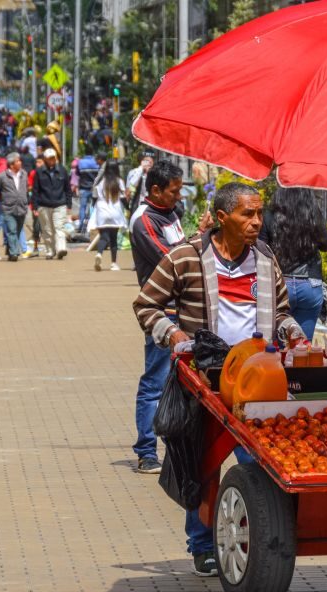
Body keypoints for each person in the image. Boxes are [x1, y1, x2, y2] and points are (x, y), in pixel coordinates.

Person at [133, 182, 305, 577]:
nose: (256, 222)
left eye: (259, 214)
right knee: (204, 466)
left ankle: (261, 538)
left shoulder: (264, 259)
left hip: (256, 381)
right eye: (248, 214)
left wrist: (292, 331)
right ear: (223, 217)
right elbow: (146, 304)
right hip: (204, 381)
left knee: (262, 464)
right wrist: (173, 334)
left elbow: (279, 312)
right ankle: (202, 543)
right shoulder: (186, 258)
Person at [129, 160, 186, 474]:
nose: (178, 197)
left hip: (184, 309)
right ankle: (147, 451)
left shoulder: (170, 214)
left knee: (182, 383)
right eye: (173, 191)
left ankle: (177, 450)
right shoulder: (144, 220)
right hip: (161, 311)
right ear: (155, 190)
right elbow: (171, 260)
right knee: (155, 382)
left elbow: (180, 248)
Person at [261, 187, 327, 340]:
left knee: (277, 345)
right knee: (301, 347)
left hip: (280, 286)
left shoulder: (268, 216)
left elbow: (261, 250)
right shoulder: (312, 215)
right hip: (309, 285)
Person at [31, 148, 72, 260]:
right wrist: (34, 206)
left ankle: (61, 249)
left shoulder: (62, 170)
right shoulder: (39, 172)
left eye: (53, 158)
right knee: (47, 230)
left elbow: (68, 189)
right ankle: (50, 250)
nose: (52, 160)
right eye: (49, 158)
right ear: (45, 159)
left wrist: (69, 204)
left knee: (59, 227)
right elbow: (35, 190)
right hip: (44, 205)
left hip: (60, 204)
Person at [90, 160, 127, 271]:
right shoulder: (119, 181)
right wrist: (128, 208)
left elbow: (94, 198)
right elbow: (123, 198)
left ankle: (99, 254)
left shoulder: (100, 182)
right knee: (113, 238)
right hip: (115, 211)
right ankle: (113, 263)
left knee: (104, 236)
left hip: (102, 211)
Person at [0, 152, 29, 261]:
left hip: (21, 207)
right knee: (12, 230)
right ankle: (14, 253)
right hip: (8, 207)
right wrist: (6, 200)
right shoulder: (2, 176)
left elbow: (25, 188)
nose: (20, 162)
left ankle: (10, 250)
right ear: (11, 164)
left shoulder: (24, 174)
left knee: (17, 231)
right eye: (18, 161)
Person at [75, 147, 100, 233]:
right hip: (94, 188)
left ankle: (81, 225)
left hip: (83, 188)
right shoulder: (96, 162)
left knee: (82, 207)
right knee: (93, 207)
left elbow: (77, 173)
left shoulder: (81, 162)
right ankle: (91, 226)